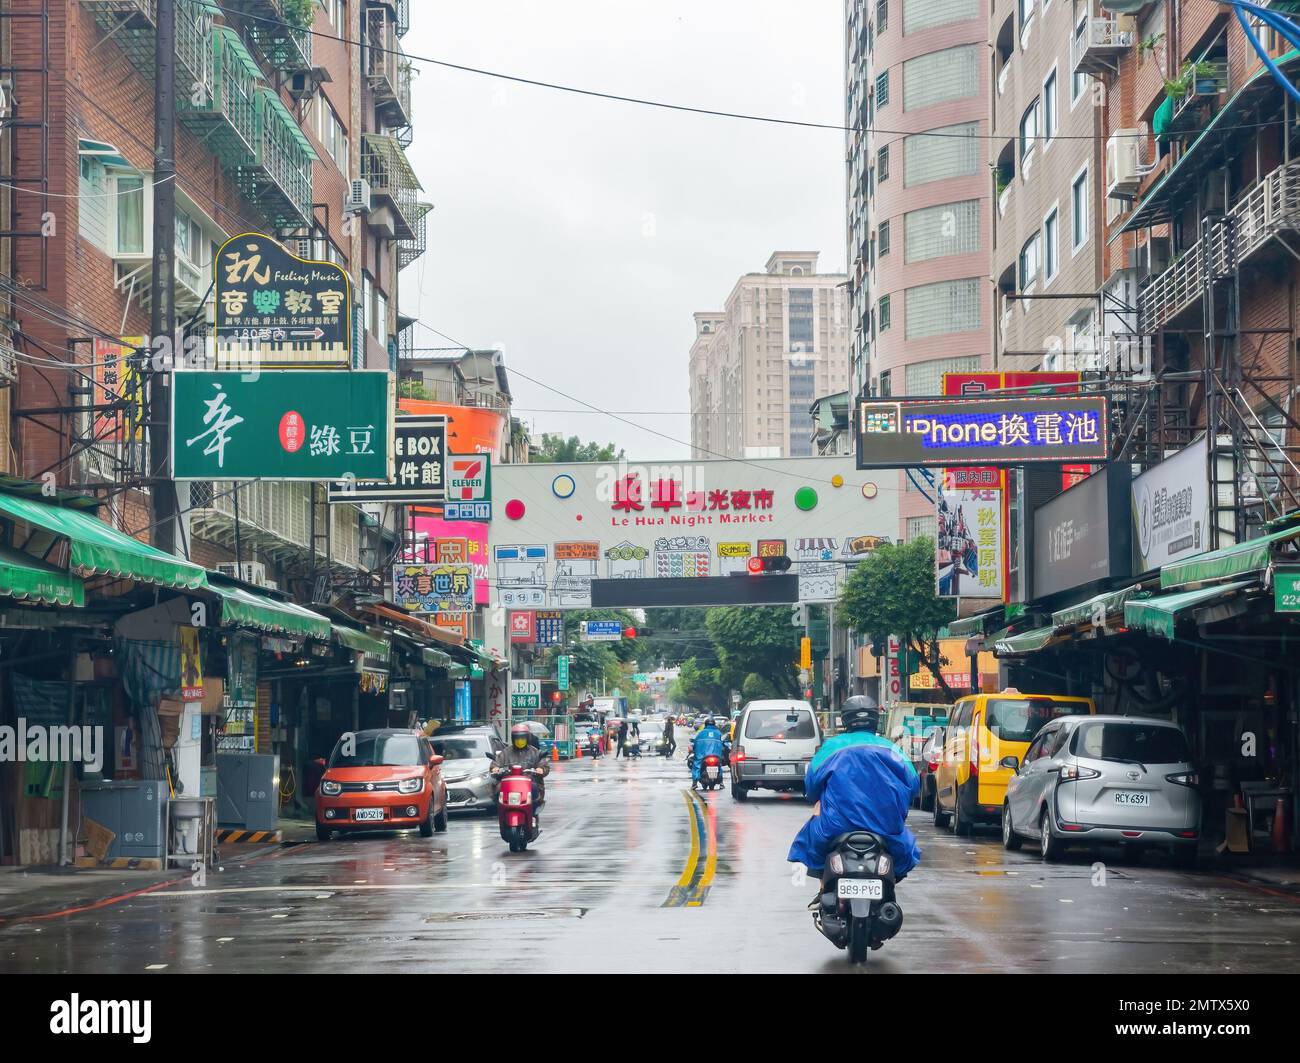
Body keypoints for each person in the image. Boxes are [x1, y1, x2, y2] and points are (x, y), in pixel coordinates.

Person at [788, 695, 920, 887]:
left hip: (835, 828)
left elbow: (812, 787)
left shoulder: (831, 748)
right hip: (887, 829)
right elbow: (914, 785)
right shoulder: (893, 749)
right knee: (906, 850)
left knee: (810, 840)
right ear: (876, 720)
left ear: (845, 720)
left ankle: (824, 888)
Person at [492, 722, 551, 813]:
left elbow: (543, 764)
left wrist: (541, 769)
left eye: (522, 738)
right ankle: (501, 812)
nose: (520, 740)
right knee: (498, 790)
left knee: (535, 789)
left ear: (527, 738)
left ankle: (533, 814)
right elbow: (496, 763)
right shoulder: (505, 752)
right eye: (517, 738)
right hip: (509, 784)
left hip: (529, 782)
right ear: (513, 739)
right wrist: (495, 769)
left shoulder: (535, 752)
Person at [690, 716, 725, 789]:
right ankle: (721, 783)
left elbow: (695, 743)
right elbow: (722, 744)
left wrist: (694, 748)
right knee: (719, 766)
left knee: (696, 765)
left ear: (705, 724)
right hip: (716, 755)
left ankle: (694, 783)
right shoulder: (718, 733)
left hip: (702, 756)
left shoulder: (701, 733)